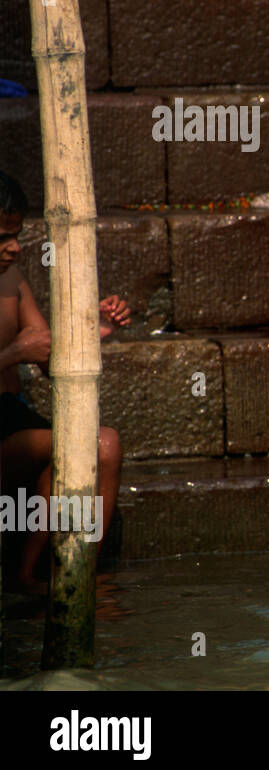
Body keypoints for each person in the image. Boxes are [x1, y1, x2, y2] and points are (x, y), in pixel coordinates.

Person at [0, 169, 128, 592]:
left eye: (16, 235)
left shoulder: (13, 282)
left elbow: (50, 356)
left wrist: (96, 330)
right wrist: (14, 353)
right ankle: (28, 574)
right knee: (74, 445)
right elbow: (25, 350)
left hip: (12, 417)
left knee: (104, 442)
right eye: (2, 239)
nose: (14, 248)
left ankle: (78, 567)